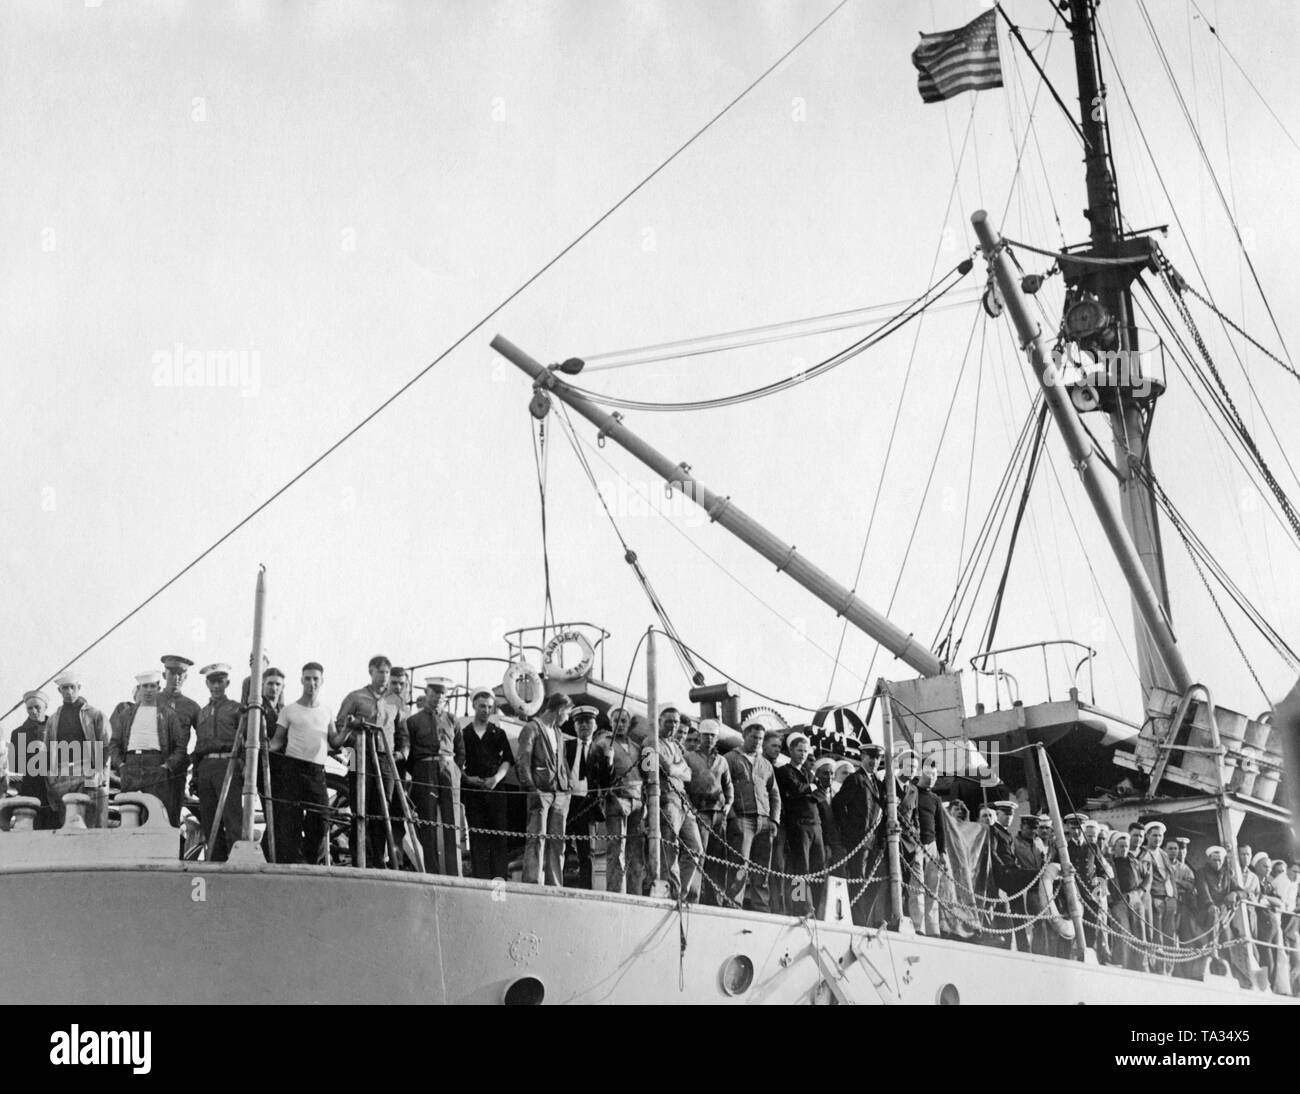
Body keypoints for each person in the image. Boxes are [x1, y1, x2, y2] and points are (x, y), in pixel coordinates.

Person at [268, 663, 347, 864]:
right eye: (308, 678)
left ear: (322, 681)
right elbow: (277, 741)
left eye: (316, 679)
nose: (312, 683)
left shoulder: (326, 711)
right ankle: (292, 862)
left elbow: (335, 741)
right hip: (292, 770)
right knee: (290, 821)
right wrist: (256, 749)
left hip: (316, 772)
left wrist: (348, 729)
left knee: (321, 819)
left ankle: (309, 859)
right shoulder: (289, 710)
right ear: (301, 680)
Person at [336, 656, 407, 869]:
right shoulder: (355, 697)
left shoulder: (396, 701)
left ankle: (378, 860)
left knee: (382, 809)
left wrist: (402, 753)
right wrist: (352, 755)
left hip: (386, 760)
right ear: (370, 671)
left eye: (387, 672)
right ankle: (359, 860)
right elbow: (341, 726)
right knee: (360, 809)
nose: (384, 676)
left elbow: (403, 732)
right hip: (359, 758)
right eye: (380, 672)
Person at [109, 670, 186, 825]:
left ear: (158, 688)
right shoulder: (126, 714)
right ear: (139, 688)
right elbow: (114, 743)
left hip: (156, 765)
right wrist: (121, 765)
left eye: (152, 686)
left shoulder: (168, 714)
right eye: (145, 686)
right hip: (130, 766)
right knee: (129, 814)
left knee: (155, 816)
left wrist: (166, 766)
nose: (149, 690)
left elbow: (180, 747)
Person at [405, 676, 464, 875]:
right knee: (428, 823)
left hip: (448, 770)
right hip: (425, 771)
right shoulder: (413, 721)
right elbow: (410, 754)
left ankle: (455, 874)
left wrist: (454, 771)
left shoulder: (452, 720)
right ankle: (432, 873)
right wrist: (421, 772)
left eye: (442, 693)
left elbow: (460, 751)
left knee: (452, 822)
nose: (438, 696)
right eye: (434, 692)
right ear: (427, 693)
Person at [643, 705, 701, 902]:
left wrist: (676, 769)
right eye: (668, 721)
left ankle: (679, 893)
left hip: (683, 801)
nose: (673, 725)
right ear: (659, 721)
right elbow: (666, 770)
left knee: (695, 849)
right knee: (670, 847)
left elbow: (689, 774)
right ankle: (669, 895)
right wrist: (677, 769)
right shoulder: (651, 742)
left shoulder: (676, 746)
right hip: (667, 799)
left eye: (675, 722)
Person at [516, 692, 573, 886]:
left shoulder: (558, 732)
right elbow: (523, 761)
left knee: (558, 842)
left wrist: (568, 787)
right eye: (567, 714)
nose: (567, 718)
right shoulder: (532, 728)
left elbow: (562, 762)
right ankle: (532, 882)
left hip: (560, 793)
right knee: (536, 838)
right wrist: (531, 788)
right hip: (540, 791)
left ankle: (554, 884)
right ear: (560, 710)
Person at [725, 722, 781, 912]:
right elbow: (724, 789)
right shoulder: (730, 759)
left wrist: (774, 820)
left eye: (760, 738)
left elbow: (774, 795)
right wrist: (732, 817)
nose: (757, 742)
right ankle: (734, 905)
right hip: (743, 819)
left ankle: (761, 907)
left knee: (762, 868)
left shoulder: (765, 764)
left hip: (764, 822)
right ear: (744, 736)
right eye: (754, 737)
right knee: (739, 867)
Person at [459, 687, 514, 880]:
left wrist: (496, 779)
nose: (485, 710)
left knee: (498, 837)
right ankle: (480, 879)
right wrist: (466, 778)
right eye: (482, 706)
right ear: (474, 705)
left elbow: (507, 760)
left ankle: (499, 882)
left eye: (489, 707)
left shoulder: (498, 733)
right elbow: (457, 761)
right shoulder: (464, 734)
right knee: (477, 837)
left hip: (496, 792)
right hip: (474, 792)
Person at [44, 671, 110, 828]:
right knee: (66, 820)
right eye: (65, 688)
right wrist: (51, 779)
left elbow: (106, 744)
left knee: (90, 818)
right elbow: (47, 751)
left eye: (72, 687)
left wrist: (98, 772)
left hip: (87, 770)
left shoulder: (95, 715)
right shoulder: (53, 720)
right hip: (63, 774)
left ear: (79, 687)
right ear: (59, 691)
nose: (69, 692)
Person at [192, 663, 245, 860]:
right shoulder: (202, 713)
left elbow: (247, 741)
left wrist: (245, 767)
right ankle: (215, 863)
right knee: (209, 820)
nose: (216, 686)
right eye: (212, 682)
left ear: (227, 683)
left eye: (220, 681)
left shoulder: (237, 709)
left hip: (228, 765)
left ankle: (237, 861)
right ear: (206, 683)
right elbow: (197, 747)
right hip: (206, 767)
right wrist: (195, 775)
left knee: (232, 818)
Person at [591, 706, 643, 895]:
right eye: (616, 721)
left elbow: (645, 774)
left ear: (629, 724)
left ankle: (635, 892)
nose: (619, 725)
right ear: (610, 722)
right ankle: (615, 891)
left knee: (636, 851)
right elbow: (597, 776)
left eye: (623, 721)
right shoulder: (603, 744)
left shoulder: (637, 747)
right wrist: (609, 762)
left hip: (637, 801)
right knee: (616, 849)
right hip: (616, 799)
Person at [833, 744, 885, 926]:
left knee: (872, 882)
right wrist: (849, 832)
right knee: (857, 881)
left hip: (874, 842)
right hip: (859, 841)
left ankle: (864, 918)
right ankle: (858, 921)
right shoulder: (856, 779)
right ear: (862, 757)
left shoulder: (877, 784)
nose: (874, 761)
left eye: (877, 757)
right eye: (870, 756)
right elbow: (838, 804)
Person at [775, 731, 825, 917]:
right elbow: (795, 789)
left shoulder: (807, 773)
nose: (803, 754)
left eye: (805, 751)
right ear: (791, 751)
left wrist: (808, 790)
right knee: (800, 869)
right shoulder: (784, 771)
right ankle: (800, 907)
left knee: (818, 869)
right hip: (798, 825)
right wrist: (809, 789)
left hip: (815, 825)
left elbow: (819, 794)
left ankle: (815, 907)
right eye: (799, 750)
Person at [689, 717, 733, 906]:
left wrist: (728, 805)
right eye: (705, 735)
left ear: (717, 738)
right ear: (699, 736)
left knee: (717, 859)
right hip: (700, 813)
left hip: (718, 815)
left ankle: (715, 901)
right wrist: (690, 806)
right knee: (699, 856)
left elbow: (728, 786)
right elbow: (683, 785)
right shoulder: (688, 757)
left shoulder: (722, 761)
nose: (709, 739)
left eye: (712, 736)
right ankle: (694, 898)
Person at [243, 668, 286, 859]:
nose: (274, 688)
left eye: (278, 684)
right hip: (264, 766)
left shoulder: (283, 710)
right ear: (262, 685)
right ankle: (268, 855)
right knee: (274, 814)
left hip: (282, 768)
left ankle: (273, 854)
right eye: (270, 683)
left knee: (282, 815)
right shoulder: (259, 709)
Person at [563, 706, 601, 889]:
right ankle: (562, 887)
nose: (584, 725)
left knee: (587, 852)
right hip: (568, 802)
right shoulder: (566, 747)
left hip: (588, 805)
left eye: (588, 721)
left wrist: (608, 764)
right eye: (580, 722)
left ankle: (588, 890)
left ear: (595, 725)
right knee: (564, 847)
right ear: (575, 726)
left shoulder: (601, 750)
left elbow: (607, 780)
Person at [7, 690, 54, 828]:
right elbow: (15, 767)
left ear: (45, 707)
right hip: (31, 789)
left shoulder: (57, 728)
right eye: (29, 708)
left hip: (54, 787)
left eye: (37, 707)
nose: (33, 711)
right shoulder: (18, 733)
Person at [912, 763, 947, 936]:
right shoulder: (912, 792)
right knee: (916, 886)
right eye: (929, 774)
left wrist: (943, 852)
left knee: (932, 888)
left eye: (935, 775)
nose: (932, 778)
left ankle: (933, 928)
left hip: (932, 844)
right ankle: (918, 926)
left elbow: (941, 828)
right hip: (916, 843)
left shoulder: (935, 799)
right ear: (920, 774)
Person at [1108, 830, 1148, 972]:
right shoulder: (1108, 863)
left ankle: (1142, 968)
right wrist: (1110, 900)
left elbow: (1147, 875)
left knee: (1139, 934)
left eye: (1126, 846)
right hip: (1119, 901)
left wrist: (1141, 891)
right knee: (1124, 934)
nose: (1124, 849)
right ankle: (1125, 967)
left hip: (1135, 899)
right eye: (1121, 846)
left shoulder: (1134, 862)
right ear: (1114, 847)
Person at [1140, 821, 1177, 974]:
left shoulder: (1163, 854)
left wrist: (1174, 896)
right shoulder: (1144, 854)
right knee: (1157, 938)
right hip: (1155, 898)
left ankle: (1168, 971)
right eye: (1154, 835)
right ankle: (1158, 971)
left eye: (1160, 836)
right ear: (1147, 836)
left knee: (1170, 938)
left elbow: (1170, 876)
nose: (1157, 839)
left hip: (1169, 900)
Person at [812, 757, 843, 865]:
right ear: (817, 775)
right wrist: (825, 844)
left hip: (838, 842)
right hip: (821, 842)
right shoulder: (814, 795)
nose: (829, 777)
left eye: (832, 773)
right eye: (825, 773)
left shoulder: (837, 795)